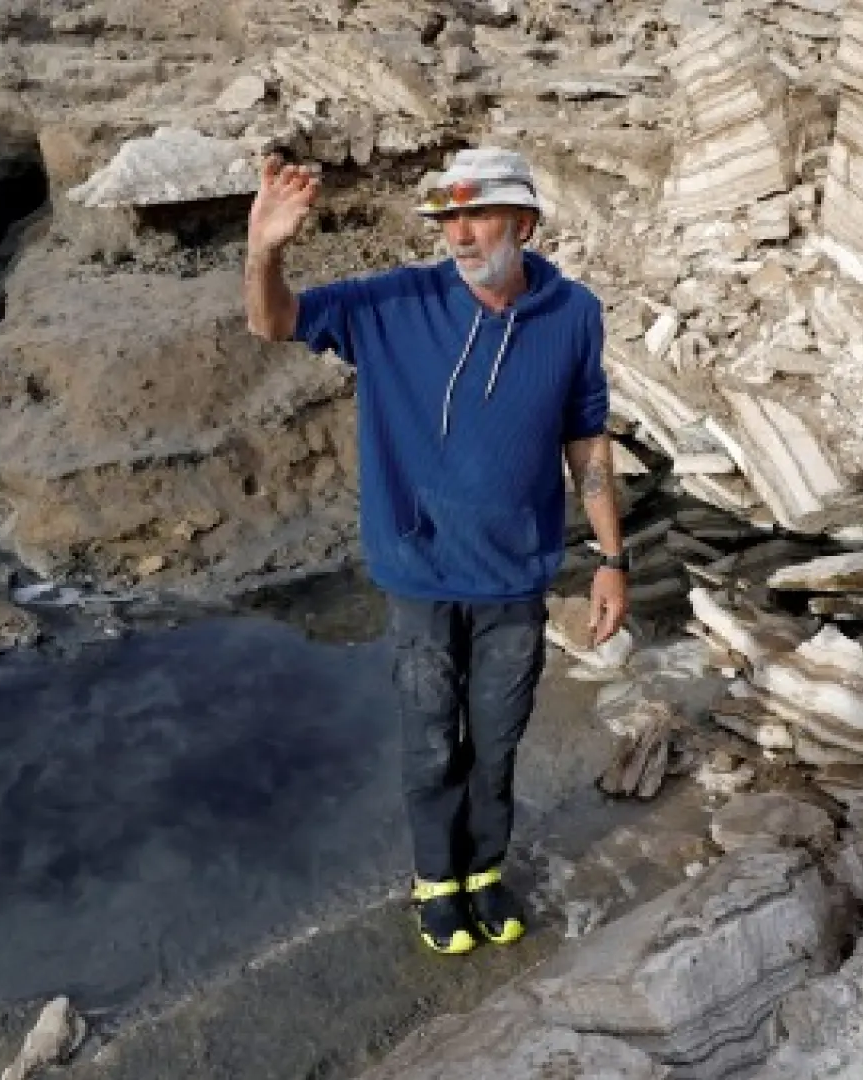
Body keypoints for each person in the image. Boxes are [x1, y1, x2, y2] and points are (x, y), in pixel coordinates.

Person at [243, 147, 630, 955]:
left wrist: (612, 559)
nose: (458, 234)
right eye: (447, 219)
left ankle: (483, 872)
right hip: (418, 575)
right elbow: (272, 322)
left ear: (523, 223)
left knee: (497, 741)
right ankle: (434, 882)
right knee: (429, 743)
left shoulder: (574, 313)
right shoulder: (392, 302)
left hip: (516, 578)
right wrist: (265, 251)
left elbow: (585, 437)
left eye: (476, 215)